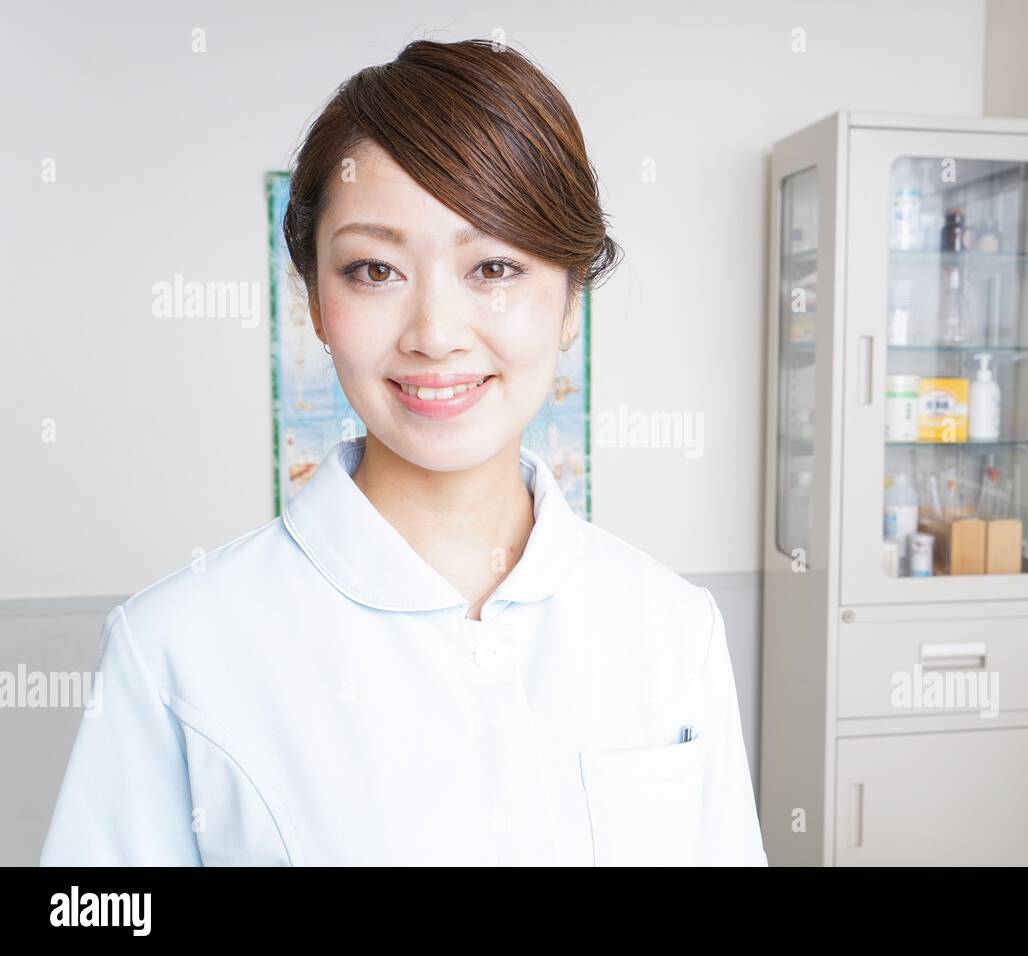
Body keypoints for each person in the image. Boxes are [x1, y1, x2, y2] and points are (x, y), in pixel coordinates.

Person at [39, 37, 767, 866]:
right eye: (375, 271)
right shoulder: (175, 647)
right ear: (315, 300)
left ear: (571, 300)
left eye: (494, 265)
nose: (435, 335)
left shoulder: (671, 628)